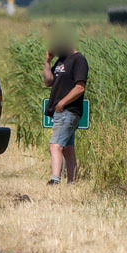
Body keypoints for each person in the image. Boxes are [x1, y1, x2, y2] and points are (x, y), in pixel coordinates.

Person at [42, 28, 88, 185]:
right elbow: (48, 81)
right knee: (68, 149)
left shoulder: (79, 60)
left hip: (68, 110)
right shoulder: (61, 60)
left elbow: (80, 87)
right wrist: (47, 61)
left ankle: (55, 180)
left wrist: (62, 103)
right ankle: (71, 183)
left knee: (55, 145)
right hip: (61, 111)